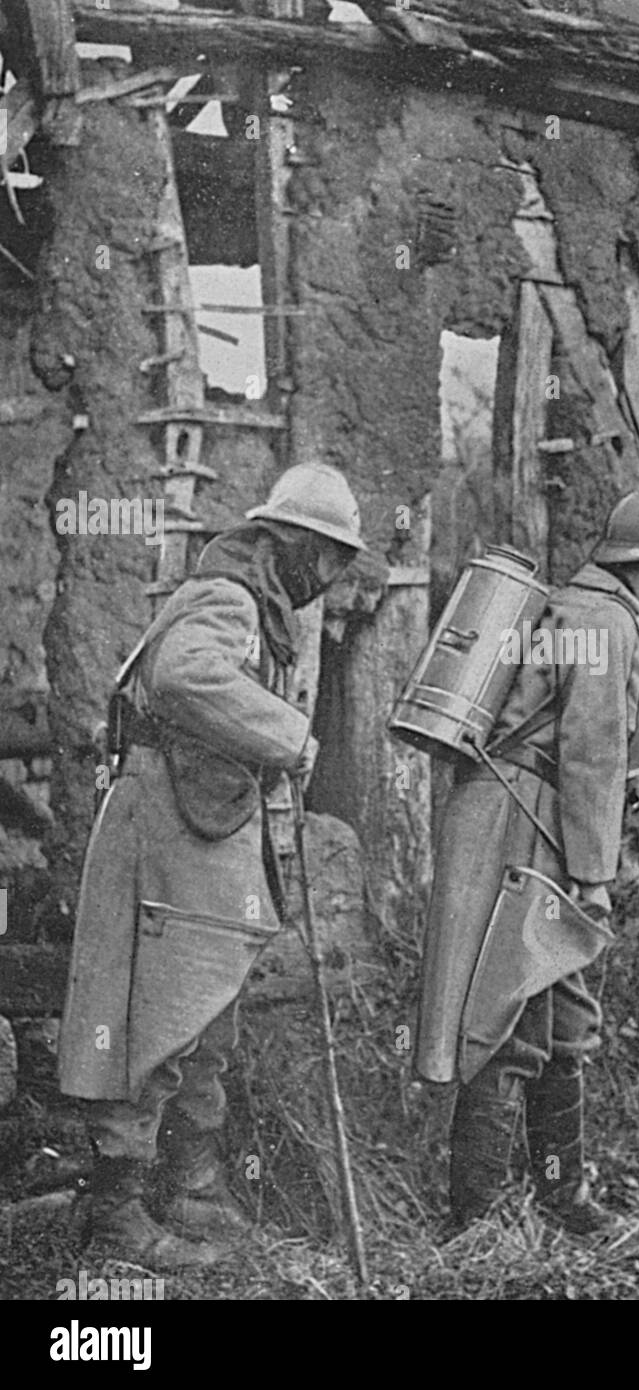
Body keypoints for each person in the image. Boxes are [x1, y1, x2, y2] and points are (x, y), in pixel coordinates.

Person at [58, 462, 366, 1268]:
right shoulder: (226, 598)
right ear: (291, 542)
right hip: (164, 832)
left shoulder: (258, 609)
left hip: (200, 836)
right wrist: (289, 736)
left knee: (204, 1019)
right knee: (153, 1025)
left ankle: (189, 1188)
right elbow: (184, 675)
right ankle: (118, 1217)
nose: (331, 575)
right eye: (329, 554)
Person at [415, 484, 639, 1233]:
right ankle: (474, 1224)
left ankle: (563, 1201)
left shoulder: (586, 610)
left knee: (565, 1015)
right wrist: (596, 881)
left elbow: (570, 749)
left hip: (520, 807)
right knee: (510, 1011)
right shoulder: (607, 621)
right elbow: (588, 756)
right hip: (523, 823)